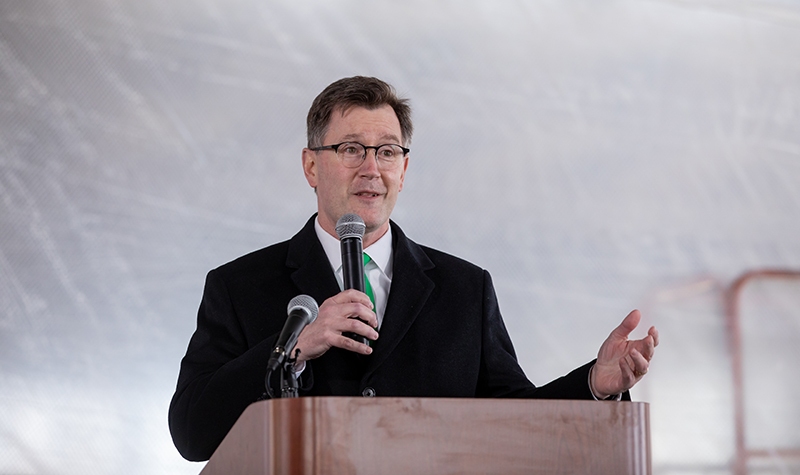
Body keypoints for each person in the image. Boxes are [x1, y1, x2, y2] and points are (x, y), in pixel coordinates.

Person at [168, 76, 659, 462]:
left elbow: (516, 419)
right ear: (311, 167)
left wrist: (595, 384)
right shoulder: (239, 286)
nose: (371, 168)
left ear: (404, 169)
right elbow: (192, 433)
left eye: (387, 151)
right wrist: (293, 348)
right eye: (351, 149)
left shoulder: (464, 289)